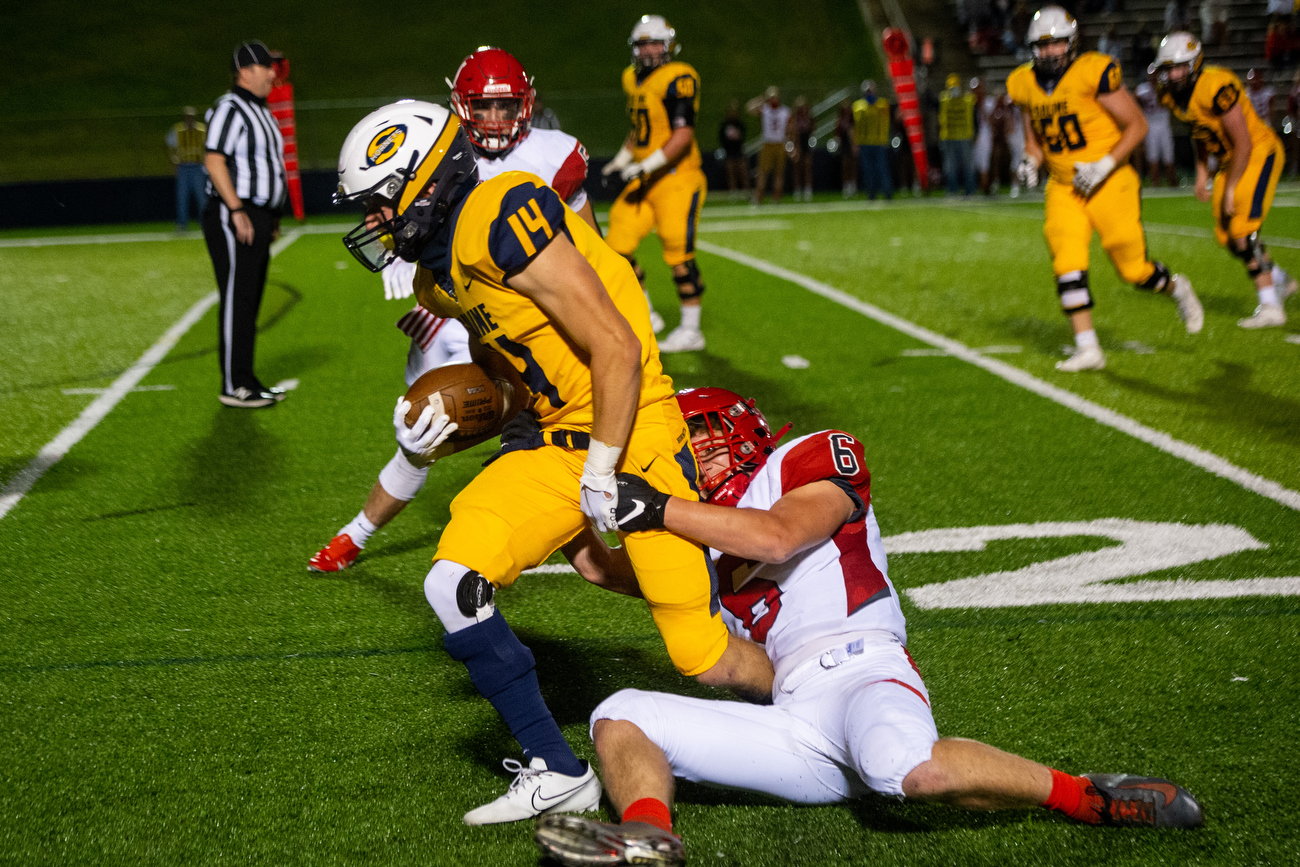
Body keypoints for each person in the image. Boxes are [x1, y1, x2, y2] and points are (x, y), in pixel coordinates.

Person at [534, 388, 1205, 866]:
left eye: (702, 439)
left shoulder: (804, 457)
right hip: (793, 714)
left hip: (864, 671)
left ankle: (1087, 796)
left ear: (740, 431)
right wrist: (556, 477)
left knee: (906, 769)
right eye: (686, 449)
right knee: (620, 714)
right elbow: (600, 566)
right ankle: (649, 839)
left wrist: (657, 508)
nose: (696, 458)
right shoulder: (690, 532)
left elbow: (776, 536)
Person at [334, 101, 773, 826]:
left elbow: (617, 346)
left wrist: (602, 469)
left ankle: (811, 701)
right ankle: (558, 769)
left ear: (425, 181)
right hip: (556, 437)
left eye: (380, 202)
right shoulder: (435, 280)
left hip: (632, 426)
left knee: (703, 655)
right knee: (453, 581)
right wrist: (440, 433)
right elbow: (512, 383)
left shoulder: (503, 211)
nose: (374, 221)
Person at [309, 47, 599, 573]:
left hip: (532, 312)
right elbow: (406, 229)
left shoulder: (553, 155)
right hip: (458, 310)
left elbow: (589, 251)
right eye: (483, 107)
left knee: (544, 419)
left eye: (505, 105)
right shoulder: (436, 152)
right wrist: (409, 263)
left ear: (526, 103)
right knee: (425, 421)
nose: (495, 118)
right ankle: (360, 531)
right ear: (461, 107)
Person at [1007, 7, 1203, 372]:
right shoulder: (1023, 83)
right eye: (1043, 45)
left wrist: (1103, 165)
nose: (1050, 52)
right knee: (1067, 262)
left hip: (1110, 182)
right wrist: (1029, 162)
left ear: (1072, 43)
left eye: (1057, 43)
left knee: (1134, 270)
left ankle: (1177, 288)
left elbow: (1138, 125)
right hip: (1064, 186)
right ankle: (1088, 348)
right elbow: (1034, 140)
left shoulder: (1092, 72)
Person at [1154, 33, 1298, 327]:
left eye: (1180, 67)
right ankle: (1279, 278)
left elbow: (1243, 142)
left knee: (1243, 229)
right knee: (1227, 237)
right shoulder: (1169, 95)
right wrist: (1202, 173)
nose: (1174, 75)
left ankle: (1271, 305)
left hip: (1258, 152)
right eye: (1169, 68)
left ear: (1195, 64)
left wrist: (1231, 188)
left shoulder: (1217, 86)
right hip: (1229, 161)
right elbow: (1199, 132)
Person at [602, 15, 709, 353]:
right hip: (646, 177)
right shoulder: (631, 78)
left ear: (668, 46)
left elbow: (683, 135)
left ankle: (691, 329)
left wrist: (643, 165)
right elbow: (639, 128)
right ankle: (647, 313)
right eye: (642, 44)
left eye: (654, 43)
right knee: (615, 245)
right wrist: (622, 159)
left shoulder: (679, 77)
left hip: (677, 177)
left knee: (678, 255)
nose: (648, 50)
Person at [203, 40, 288, 407]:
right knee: (238, 297)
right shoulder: (230, 108)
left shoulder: (262, 112)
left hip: (258, 214)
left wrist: (273, 216)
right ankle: (234, 384)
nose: (272, 74)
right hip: (234, 212)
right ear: (245, 71)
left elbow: (271, 169)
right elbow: (214, 160)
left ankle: (246, 379)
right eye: (266, 67)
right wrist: (237, 209)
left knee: (249, 299)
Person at [167, 107, 207, 232]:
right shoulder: (178, 130)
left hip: (198, 167)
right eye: (188, 117)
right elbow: (168, 144)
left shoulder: (202, 130)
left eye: (192, 117)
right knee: (182, 197)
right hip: (183, 167)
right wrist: (173, 159)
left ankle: (205, 223)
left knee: (201, 197)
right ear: (184, 117)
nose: (190, 119)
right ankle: (182, 224)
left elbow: (209, 146)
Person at [747, 86, 790, 204]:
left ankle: (774, 198)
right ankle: (762, 197)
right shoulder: (773, 110)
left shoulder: (777, 111)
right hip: (771, 144)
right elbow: (749, 108)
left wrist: (761, 100)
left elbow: (790, 129)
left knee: (776, 173)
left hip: (777, 143)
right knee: (765, 172)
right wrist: (760, 100)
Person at [1136, 72, 1179, 186]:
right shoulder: (1142, 89)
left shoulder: (1165, 88)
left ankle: (1173, 184)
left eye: (1155, 76)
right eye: (1152, 76)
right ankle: (1155, 185)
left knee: (1169, 158)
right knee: (1153, 158)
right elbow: (1134, 100)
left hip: (1164, 125)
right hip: (1151, 126)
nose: (1154, 78)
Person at [853, 80, 893, 200]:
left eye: (871, 91)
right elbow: (855, 127)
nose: (870, 94)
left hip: (879, 142)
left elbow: (886, 121)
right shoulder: (858, 107)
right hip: (865, 143)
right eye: (868, 92)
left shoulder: (882, 105)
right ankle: (871, 194)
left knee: (882, 169)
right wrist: (856, 143)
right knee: (868, 171)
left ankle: (887, 193)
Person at [939, 73, 976, 195]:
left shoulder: (967, 99)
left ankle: (970, 189)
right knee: (950, 166)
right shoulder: (945, 99)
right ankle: (952, 190)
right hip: (949, 137)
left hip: (964, 137)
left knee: (968, 166)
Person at [718, 100, 748, 195]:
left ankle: (745, 190)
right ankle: (733, 191)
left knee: (743, 172)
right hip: (729, 152)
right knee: (731, 173)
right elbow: (722, 138)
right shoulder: (724, 125)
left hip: (739, 152)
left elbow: (743, 136)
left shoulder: (739, 124)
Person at [788, 96, 814, 202]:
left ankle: (808, 189)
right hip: (797, 145)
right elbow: (792, 132)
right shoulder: (794, 118)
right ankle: (797, 189)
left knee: (807, 168)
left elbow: (812, 129)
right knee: (797, 169)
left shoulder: (808, 118)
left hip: (806, 144)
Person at [835, 100, 857, 196]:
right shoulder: (840, 120)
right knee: (845, 165)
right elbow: (837, 133)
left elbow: (854, 132)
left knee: (852, 165)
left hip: (851, 144)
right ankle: (846, 185)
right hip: (844, 144)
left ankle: (853, 184)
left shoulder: (852, 120)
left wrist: (855, 145)